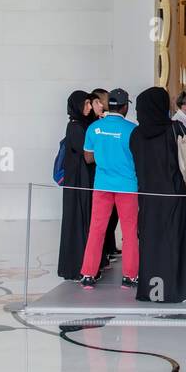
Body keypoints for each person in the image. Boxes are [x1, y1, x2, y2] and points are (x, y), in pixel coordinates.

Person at [130, 86, 186, 303]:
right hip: (172, 194)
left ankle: (152, 290)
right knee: (175, 239)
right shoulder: (175, 128)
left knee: (151, 242)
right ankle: (178, 286)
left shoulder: (136, 134)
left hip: (148, 197)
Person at [79, 89, 139, 288]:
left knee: (96, 229)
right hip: (127, 186)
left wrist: (106, 156)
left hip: (102, 184)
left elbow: (88, 157)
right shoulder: (132, 129)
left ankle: (88, 274)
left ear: (107, 106)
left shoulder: (94, 128)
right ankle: (129, 276)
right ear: (125, 107)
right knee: (129, 232)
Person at [58, 90, 94, 280]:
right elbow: (87, 156)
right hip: (77, 183)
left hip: (81, 181)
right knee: (77, 222)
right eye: (86, 104)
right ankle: (76, 266)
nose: (89, 107)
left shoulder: (81, 125)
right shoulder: (76, 128)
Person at [88, 88, 120, 262]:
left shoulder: (102, 122)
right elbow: (88, 155)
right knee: (100, 224)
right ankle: (99, 259)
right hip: (103, 179)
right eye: (100, 101)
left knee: (111, 219)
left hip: (107, 180)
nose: (104, 104)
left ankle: (108, 249)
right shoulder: (93, 126)